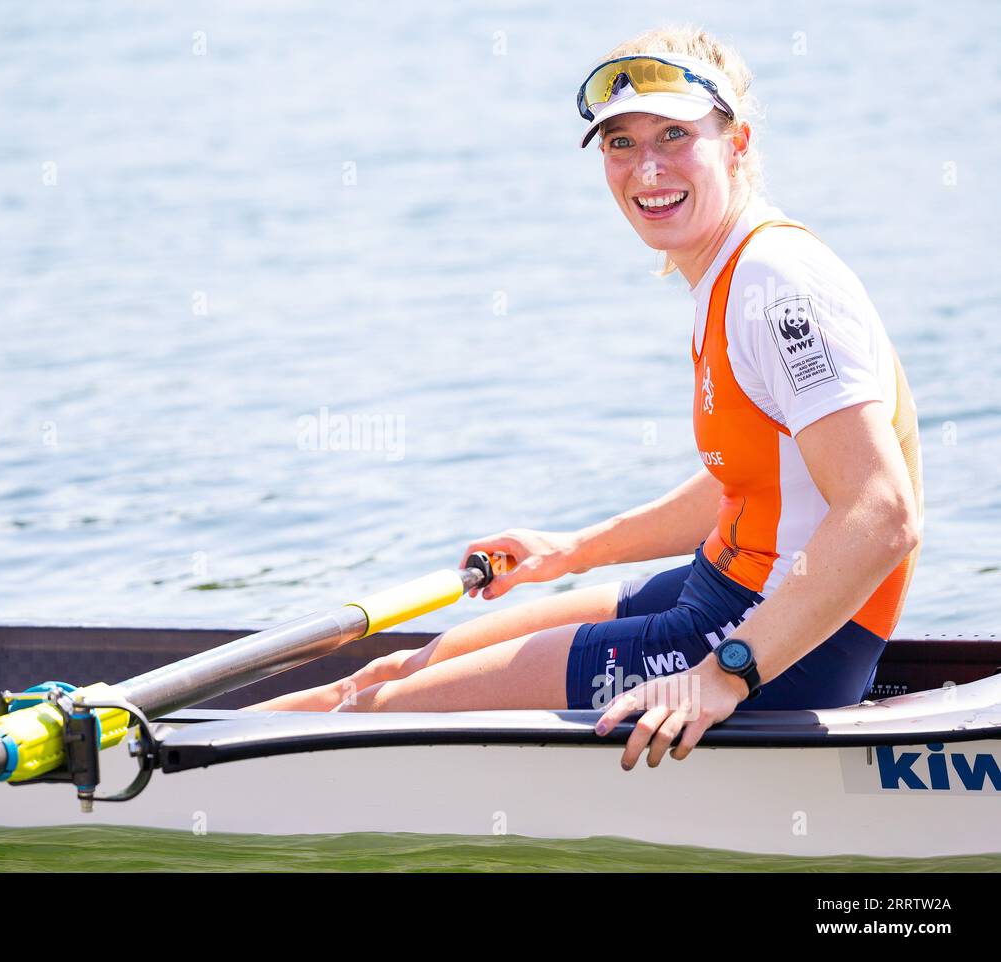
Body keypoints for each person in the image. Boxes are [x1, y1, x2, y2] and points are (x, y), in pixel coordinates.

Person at [245, 26, 923, 770]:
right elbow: (770, 475)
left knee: (372, 714)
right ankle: (165, 743)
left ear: (737, 143)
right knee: (389, 673)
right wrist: (569, 552)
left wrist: (726, 675)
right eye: (620, 143)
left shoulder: (776, 283)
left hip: (780, 645)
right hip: (719, 589)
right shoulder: (729, 271)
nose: (647, 167)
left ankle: (175, 772)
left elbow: (882, 514)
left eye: (674, 134)